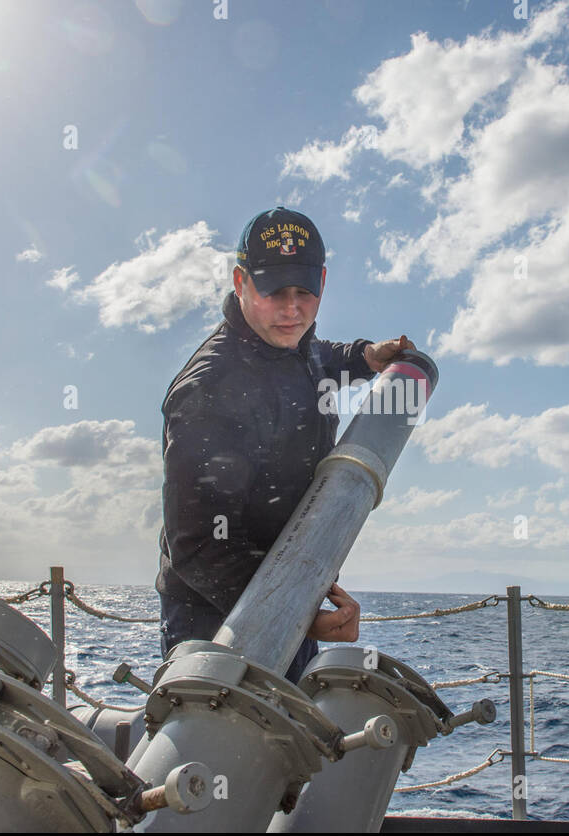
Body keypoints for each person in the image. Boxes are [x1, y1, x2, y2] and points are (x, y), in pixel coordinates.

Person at [156, 206, 415, 683]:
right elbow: (196, 547)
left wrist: (365, 356)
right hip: (212, 614)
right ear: (240, 282)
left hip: (287, 593)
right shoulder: (209, 390)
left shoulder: (292, 343)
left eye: (305, 292)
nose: (292, 309)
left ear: (321, 282)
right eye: (275, 291)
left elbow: (318, 357)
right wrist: (292, 615)